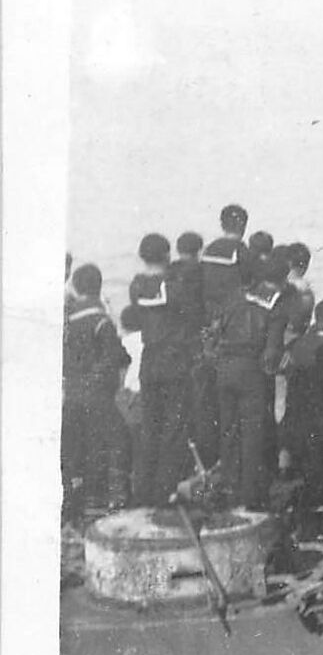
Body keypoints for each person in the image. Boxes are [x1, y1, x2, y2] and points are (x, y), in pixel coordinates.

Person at [212, 252, 290, 509]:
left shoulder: (238, 295)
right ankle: (250, 498)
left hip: (224, 368)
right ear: (283, 279)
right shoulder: (276, 305)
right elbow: (272, 352)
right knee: (252, 435)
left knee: (228, 432)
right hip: (251, 372)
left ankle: (229, 491)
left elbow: (215, 332)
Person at [125, 233, 193, 506]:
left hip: (149, 360)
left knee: (149, 428)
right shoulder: (175, 285)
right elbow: (187, 313)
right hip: (174, 361)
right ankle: (165, 493)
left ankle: (143, 492)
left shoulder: (136, 285)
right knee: (173, 430)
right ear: (167, 255)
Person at [62, 264, 134, 519]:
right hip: (96, 394)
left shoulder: (68, 318)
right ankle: (113, 499)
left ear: (76, 287)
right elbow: (115, 355)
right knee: (118, 440)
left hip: (71, 392)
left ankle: (85, 499)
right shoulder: (100, 320)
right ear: (98, 287)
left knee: (84, 445)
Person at [280, 298, 323, 538]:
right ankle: (320, 537)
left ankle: (298, 532)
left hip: (293, 424)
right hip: (319, 430)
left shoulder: (297, 344)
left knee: (300, 482)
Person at [200, 204, 250, 321]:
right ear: (243, 226)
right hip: (233, 313)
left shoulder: (208, 249)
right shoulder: (242, 250)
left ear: (222, 225)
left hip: (208, 309)